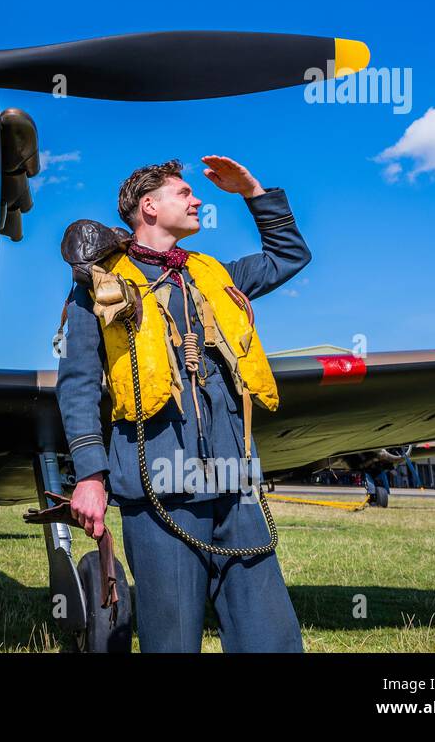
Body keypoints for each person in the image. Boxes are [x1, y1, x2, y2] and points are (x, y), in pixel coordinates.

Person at [56, 156, 308, 652]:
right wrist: (90, 474)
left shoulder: (214, 274)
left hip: (233, 484)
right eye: (184, 193)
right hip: (158, 488)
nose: (198, 201)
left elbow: (288, 255)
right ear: (149, 206)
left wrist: (253, 191)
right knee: (171, 641)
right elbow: (78, 384)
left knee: (271, 638)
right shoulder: (97, 288)